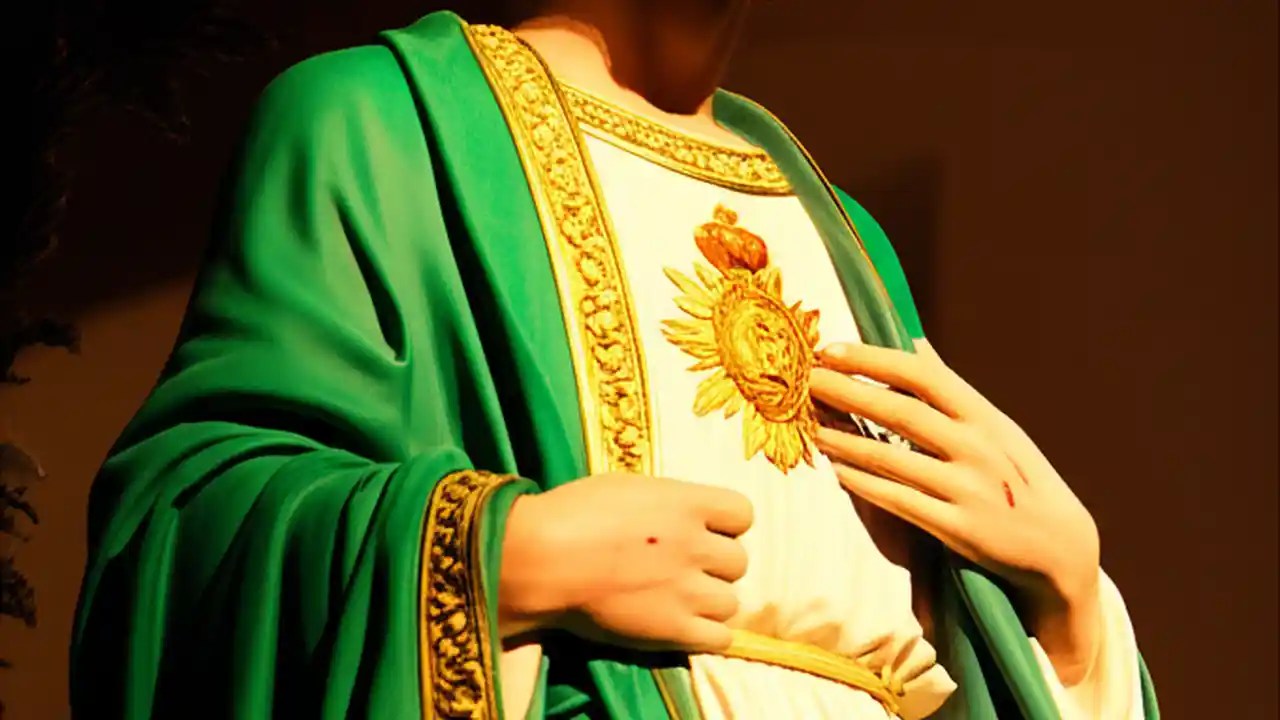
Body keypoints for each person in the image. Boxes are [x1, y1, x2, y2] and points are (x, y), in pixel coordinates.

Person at [70, 2, 1158, 718]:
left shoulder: (840, 231)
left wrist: (1065, 609)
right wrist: (495, 553)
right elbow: (183, 533)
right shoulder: (378, 125)